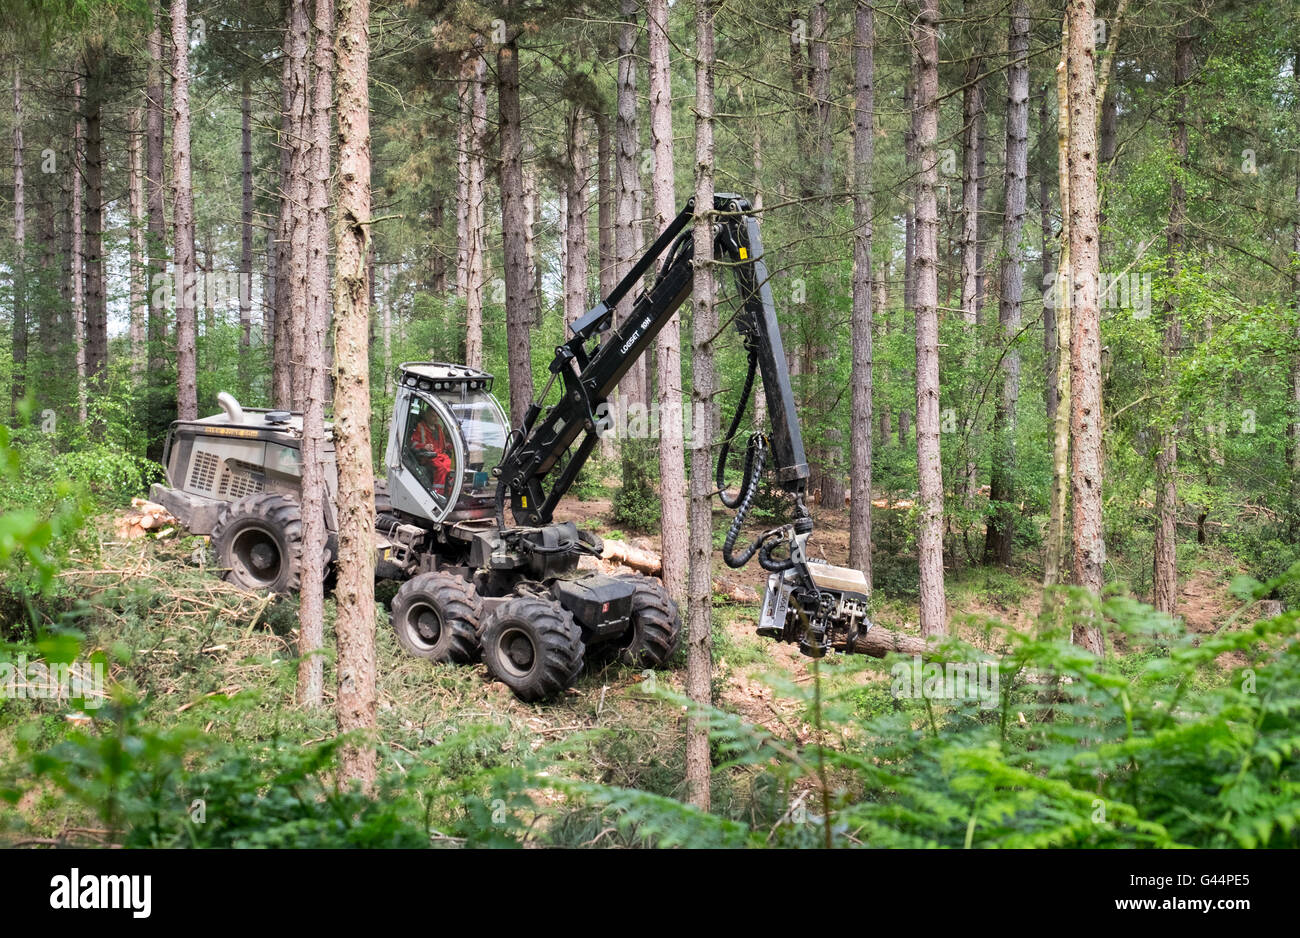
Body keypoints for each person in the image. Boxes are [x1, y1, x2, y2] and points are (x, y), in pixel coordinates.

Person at [409, 407, 453, 495]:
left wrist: (452, 446)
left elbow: (442, 445)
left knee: (453, 469)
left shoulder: (439, 428)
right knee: (442, 469)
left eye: (437, 416)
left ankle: (450, 492)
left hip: (440, 456)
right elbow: (412, 444)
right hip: (427, 457)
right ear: (427, 416)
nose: (436, 418)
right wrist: (424, 446)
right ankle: (438, 494)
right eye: (433, 416)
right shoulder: (420, 427)